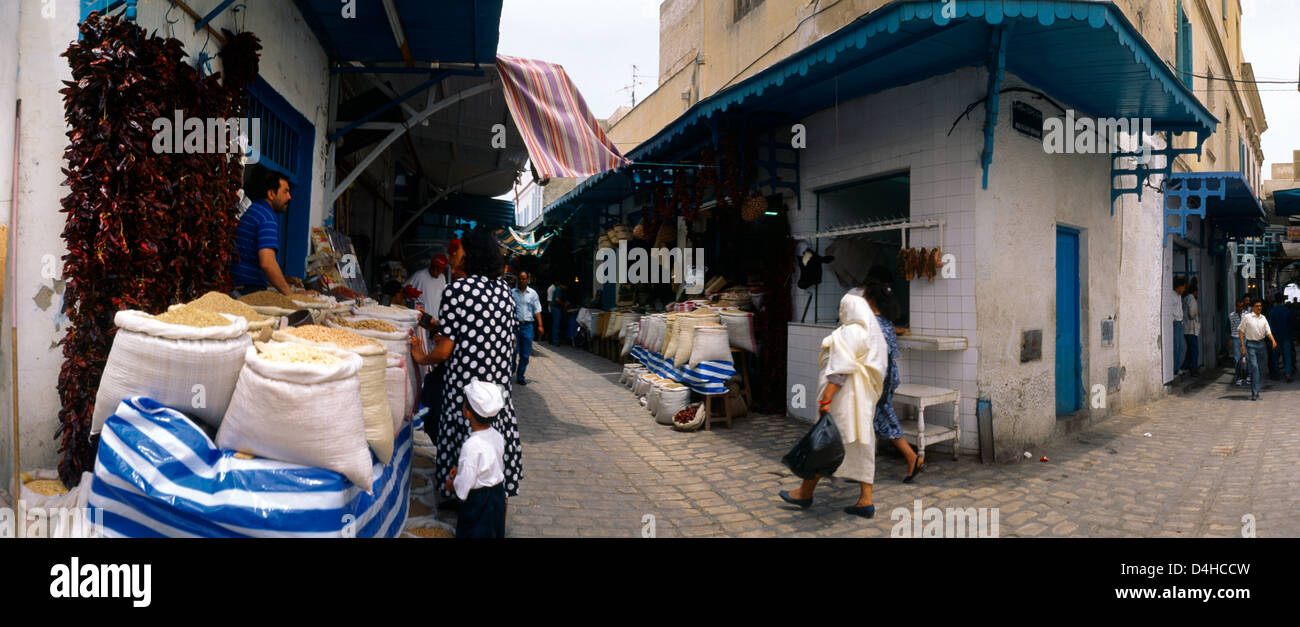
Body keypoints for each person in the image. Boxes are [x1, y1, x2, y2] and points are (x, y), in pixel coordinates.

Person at [409, 226, 523, 505]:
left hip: (465, 394)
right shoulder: (505, 293)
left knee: (463, 455)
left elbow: (445, 350)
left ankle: (463, 502)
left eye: (457, 250)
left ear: (470, 253)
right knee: (493, 467)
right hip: (496, 396)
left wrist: (421, 356)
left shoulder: (457, 290)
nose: (453, 255)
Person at [778, 292, 888, 518]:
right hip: (863, 401)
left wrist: (826, 399)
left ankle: (804, 493)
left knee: (823, 444)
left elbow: (840, 370)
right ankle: (865, 501)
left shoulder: (849, 332)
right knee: (860, 447)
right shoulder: (871, 334)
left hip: (843, 400)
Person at [858, 268, 925, 482]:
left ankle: (912, 457)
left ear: (869, 299)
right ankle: (856, 467)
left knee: (881, 417)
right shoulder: (884, 322)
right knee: (874, 418)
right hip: (886, 375)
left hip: (880, 377)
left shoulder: (871, 324)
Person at [447, 379, 508, 538]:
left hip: (479, 501)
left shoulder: (471, 445)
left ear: (467, 412)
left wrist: (452, 485)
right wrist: (460, 469)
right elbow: (491, 466)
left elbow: (465, 484)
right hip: (497, 495)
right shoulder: (497, 436)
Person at [232, 166, 295, 297]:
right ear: (271, 194)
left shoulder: (253, 210)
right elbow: (267, 263)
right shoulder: (267, 217)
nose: (289, 197)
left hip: (235, 286)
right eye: (285, 191)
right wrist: (291, 296)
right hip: (248, 291)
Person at [1238, 300, 1277, 401]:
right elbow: (1241, 331)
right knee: (1254, 367)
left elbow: (1268, 331)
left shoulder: (1263, 318)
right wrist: (1242, 346)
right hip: (1251, 345)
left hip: (1262, 345)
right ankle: (1254, 391)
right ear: (1252, 307)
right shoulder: (1247, 317)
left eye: (1260, 306)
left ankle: (1256, 389)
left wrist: (1273, 340)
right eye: (1257, 306)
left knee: (1260, 368)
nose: (1259, 308)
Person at [511, 271, 543, 385]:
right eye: (520, 278)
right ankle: (512, 367)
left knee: (525, 354)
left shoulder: (533, 294)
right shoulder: (512, 293)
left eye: (524, 279)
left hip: (528, 327)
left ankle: (520, 376)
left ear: (527, 280)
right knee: (513, 352)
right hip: (515, 327)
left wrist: (540, 325)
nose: (521, 281)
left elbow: (537, 310)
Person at [405, 253, 450, 324]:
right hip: (421, 319)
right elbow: (403, 290)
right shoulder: (419, 275)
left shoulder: (442, 278)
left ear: (443, 270)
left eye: (438, 270)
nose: (435, 272)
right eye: (433, 268)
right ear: (430, 265)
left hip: (434, 320)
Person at [1265, 293, 1293, 382]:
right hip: (1286, 336)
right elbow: (1291, 324)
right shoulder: (1287, 310)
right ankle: (1288, 374)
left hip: (1275, 337)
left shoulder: (1272, 311)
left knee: (1275, 356)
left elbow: (1269, 325)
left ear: (1275, 300)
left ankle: (1276, 374)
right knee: (1287, 356)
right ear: (1282, 300)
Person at [1167, 277, 1187, 376]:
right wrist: (1172, 319)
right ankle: (1174, 368)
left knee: (1181, 346)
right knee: (1176, 346)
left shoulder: (1179, 296)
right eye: (1183, 287)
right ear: (1179, 286)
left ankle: (1177, 367)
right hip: (1175, 323)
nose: (1184, 289)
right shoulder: (1171, 295)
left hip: (1180, 322)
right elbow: (1168, 308)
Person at [1182, 279, 1200, 375]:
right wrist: (1197, 313)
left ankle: (1185, 365)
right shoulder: (1192, 299)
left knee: (1190, 348)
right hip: (1191, 328)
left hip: (1186, 327)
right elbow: (1192, 314)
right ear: (1195, 292)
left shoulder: (1185, 298)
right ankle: (1194, 368)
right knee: (1194, 349)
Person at [1228, 299, 1247, 386]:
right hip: (1235, 339)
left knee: (1246, 359)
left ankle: (1247, 376)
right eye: (1238, 306)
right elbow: (1228, 329)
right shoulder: (1231, 316)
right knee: (1237, 359)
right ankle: (1238, 377)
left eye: (1241, 306)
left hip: (1245, 338)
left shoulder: (1247, 315)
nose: (1240, 308)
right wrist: (1229, 341)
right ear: (1236, 306)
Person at [549, 281, 568, 346]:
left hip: (556, 308)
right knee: (556, 325)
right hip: (556, 308)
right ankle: (555, 341)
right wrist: (564, 304)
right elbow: (557, 299)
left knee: (556, 324)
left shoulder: (558, 289)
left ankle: (554, 339)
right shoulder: (559, 289)